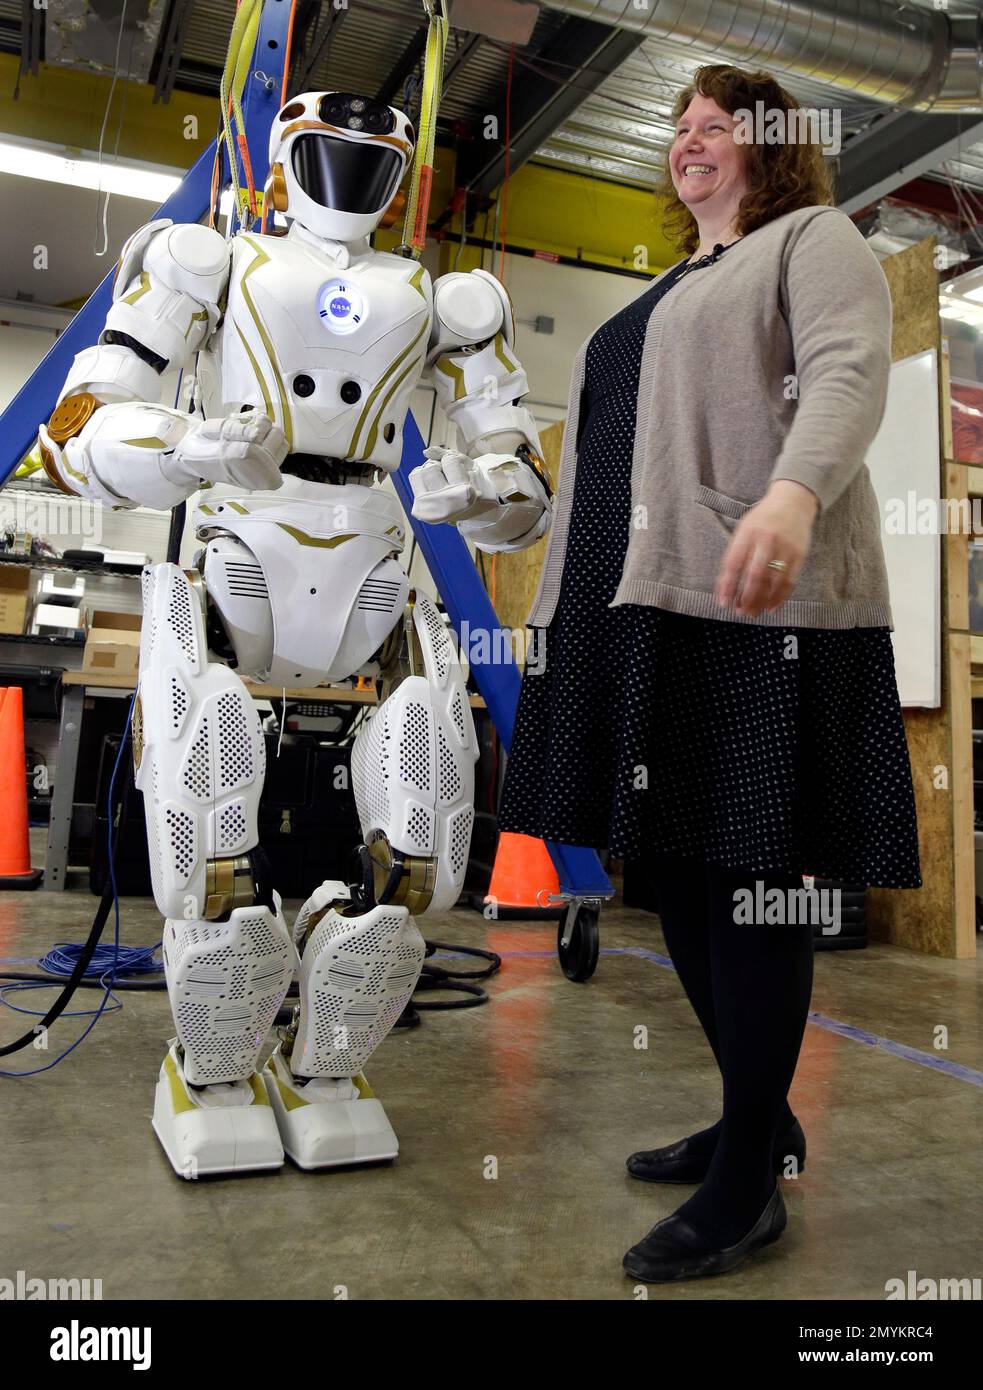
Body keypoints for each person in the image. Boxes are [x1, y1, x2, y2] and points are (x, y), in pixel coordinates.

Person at [497, 63, 921, 1282]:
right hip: (634, 605)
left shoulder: (810, 238)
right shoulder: (666, 287)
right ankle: (759, 1113)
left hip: (750, 599)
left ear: (770, 145)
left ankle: (748, 1182)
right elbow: (593, 469)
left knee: (745, 877)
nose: (687, 144)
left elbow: (846, 371)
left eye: (715, 127)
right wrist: (553, 610)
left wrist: (790, 495)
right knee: (674, 872)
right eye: (677, 129)